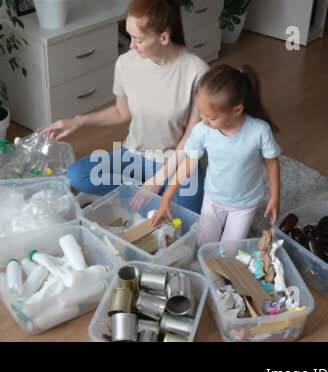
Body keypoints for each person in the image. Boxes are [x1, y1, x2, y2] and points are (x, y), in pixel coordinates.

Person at [43, 0, 208, 212]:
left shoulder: (196, 71)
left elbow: (192, 138)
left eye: (138, 40)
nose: (131, 46)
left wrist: (157, 180)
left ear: (164, 37)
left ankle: (134, 196)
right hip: (133, 155)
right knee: (77, 175)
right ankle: (142, 197)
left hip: (176, 162)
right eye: (129, 36)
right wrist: (78, 121)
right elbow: (122, 112)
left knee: (188, 213)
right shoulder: (126, 63)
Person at [151, 64, 282, 246]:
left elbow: (272, 162)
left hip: (244, 204)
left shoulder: (259, 131)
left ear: (237, 110)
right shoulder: (202, 131)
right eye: (201, 113)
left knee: (229, 250)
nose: (203, 120)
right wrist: (167, 195)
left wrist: (275, 196)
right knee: (204, 244)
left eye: (211, 117)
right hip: (213, 198)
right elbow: (189, 164)